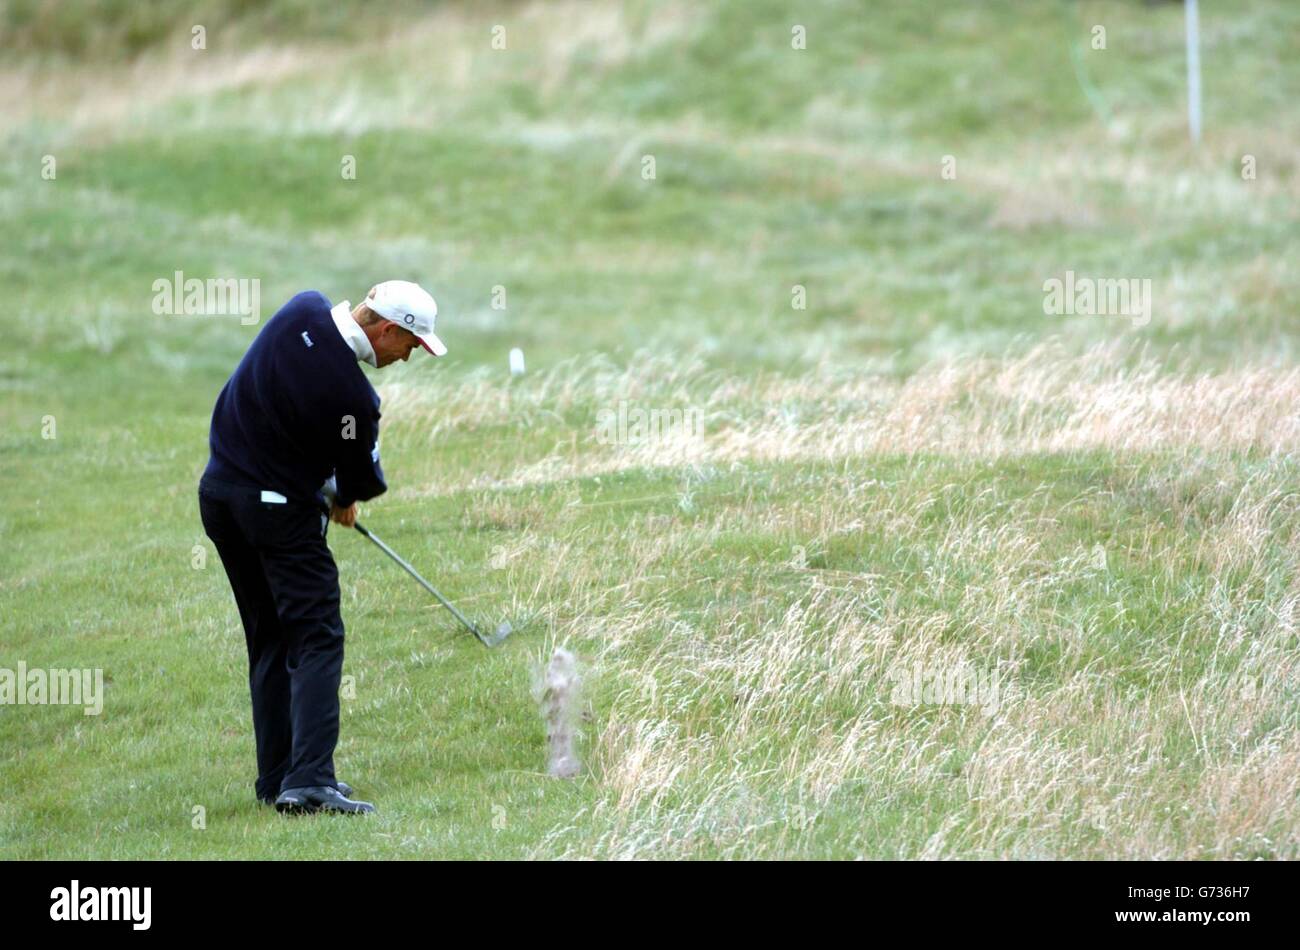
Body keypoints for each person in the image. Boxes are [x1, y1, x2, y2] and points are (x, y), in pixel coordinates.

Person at [198, 281, 446, 814]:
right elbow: (359, 482)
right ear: (387, 329)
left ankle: (278, 779)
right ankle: (310, 781)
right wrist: (343, 497)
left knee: (269, 637)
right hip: (273, 512)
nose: (406, 358)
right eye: (410, 346)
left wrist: (324, 482)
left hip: (219, 497)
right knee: (316, 634)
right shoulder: (355, 397)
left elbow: (286, 406)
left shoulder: (301, 308)